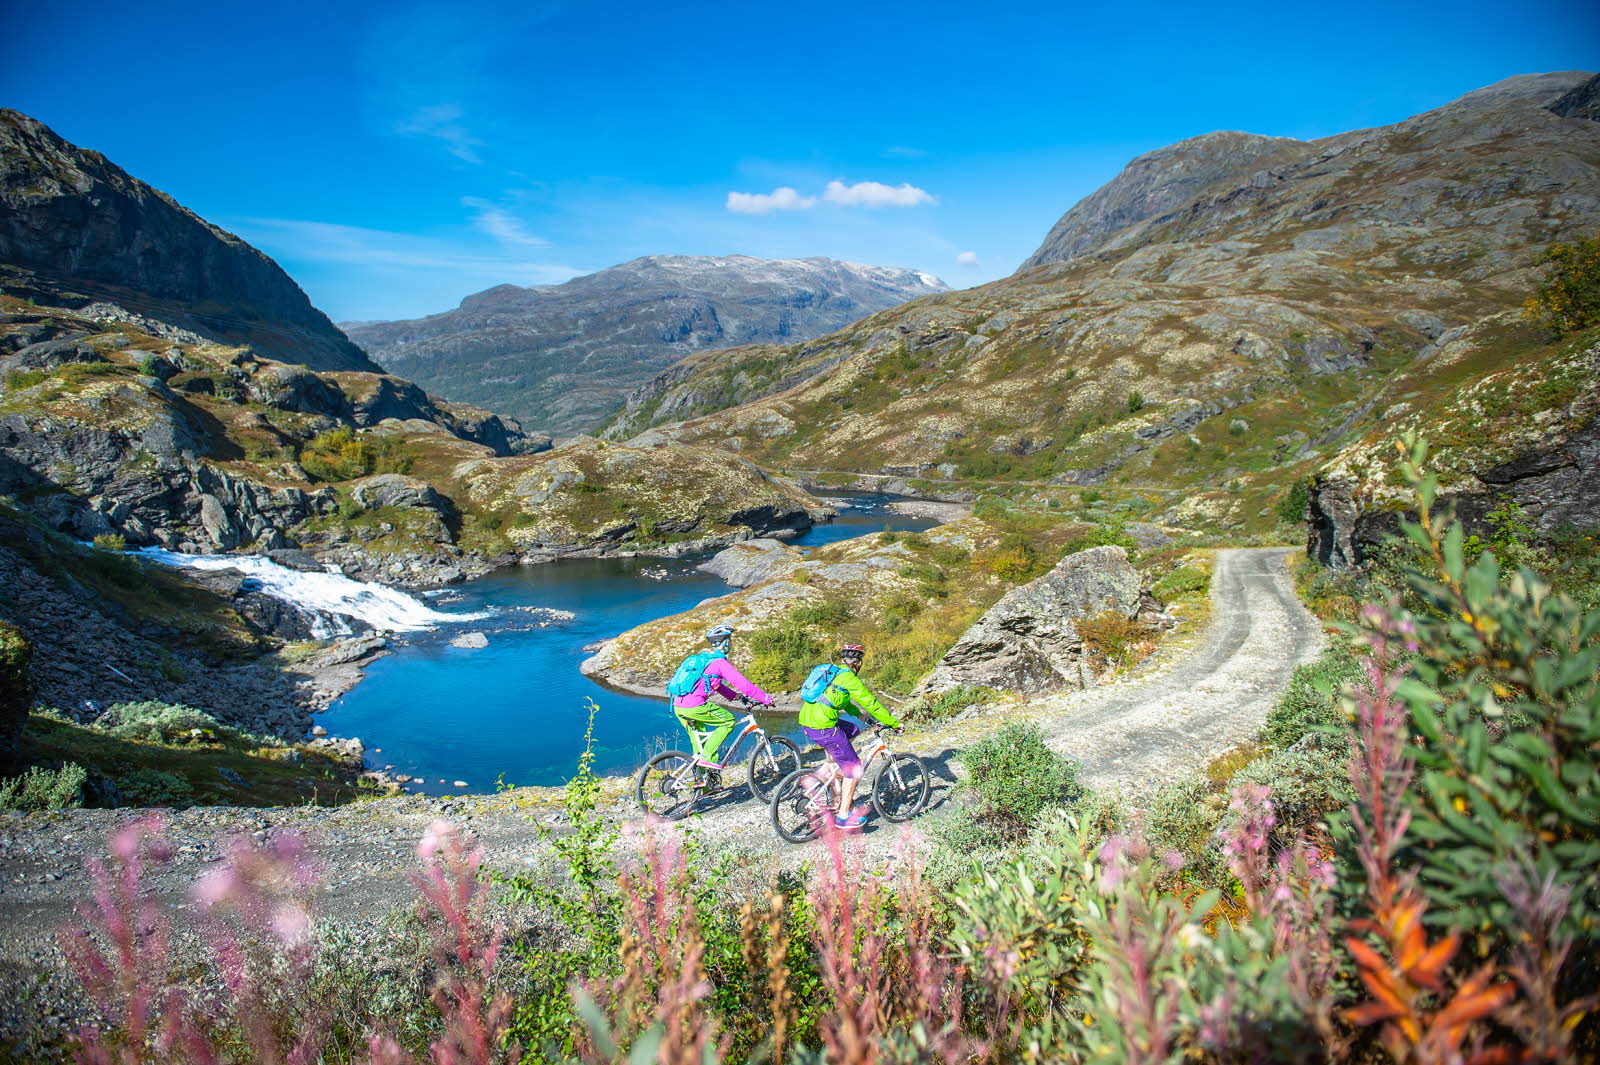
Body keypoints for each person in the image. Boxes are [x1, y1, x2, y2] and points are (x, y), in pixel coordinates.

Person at [798, 642, 901, 829]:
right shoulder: (850, 679)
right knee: (854, 767)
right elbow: (872, 703)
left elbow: (840, 700)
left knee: (852, 730)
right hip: (823, 727)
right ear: (859, 662)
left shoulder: (834, 673)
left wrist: (860, 716)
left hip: (808, 722)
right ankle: (844, 816)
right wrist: (894, 723)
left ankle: (828, 770)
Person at [669, 624, 774, 771]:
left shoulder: (706, 659)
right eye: (730, 640)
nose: (731, 643)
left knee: (700, 747)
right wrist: (766, 698)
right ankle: (707, 758)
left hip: (678, 706)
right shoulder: (720, 663)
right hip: (694, 706)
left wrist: (735, 696)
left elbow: (715, 684)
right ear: (725, 642)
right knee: (728, 721)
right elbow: (744, 684)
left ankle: (704, 786)